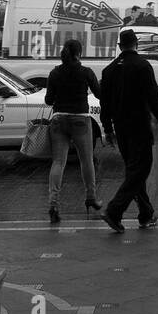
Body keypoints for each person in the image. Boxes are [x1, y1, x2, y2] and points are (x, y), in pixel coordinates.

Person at [99, 28, 158, 232]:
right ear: (136, 44)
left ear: (120, 46)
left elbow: (105, 103)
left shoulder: (109, 70)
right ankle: (114, 211)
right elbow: (154, 98)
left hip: (120, 128)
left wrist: (107, 128)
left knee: (133, 170)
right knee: (141, 169)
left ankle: (146, 214)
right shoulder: (142, 66)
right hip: (139, 126)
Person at [44, 39, 103, 224]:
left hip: (59, 120)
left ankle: (53, 204)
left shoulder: (55, 73)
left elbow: (48, 100)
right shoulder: (85, 72)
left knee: (58, 162)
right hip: (80, 120)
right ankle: (91, 197)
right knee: (86, 160)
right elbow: (99, 93)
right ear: (79, 53)